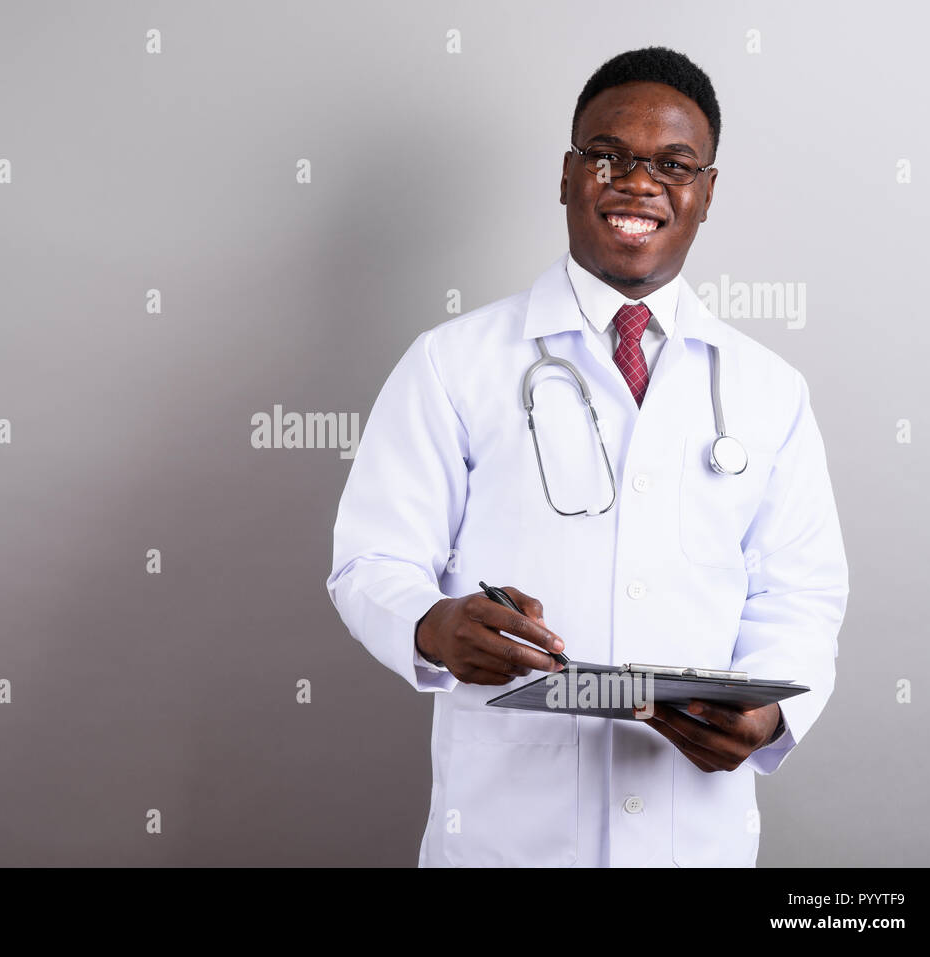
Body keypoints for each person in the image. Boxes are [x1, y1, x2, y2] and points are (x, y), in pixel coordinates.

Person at [325, 47, 848, 867]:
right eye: (608, 156)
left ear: (706, 192)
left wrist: (770, 716)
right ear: (568, 175)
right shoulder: (452, 362)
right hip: (507, 834)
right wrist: (434, 625)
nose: (637, 182)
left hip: (693, 832)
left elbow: (802, 595)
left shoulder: (770, 389)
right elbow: (371, 559)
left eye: (672, 164)